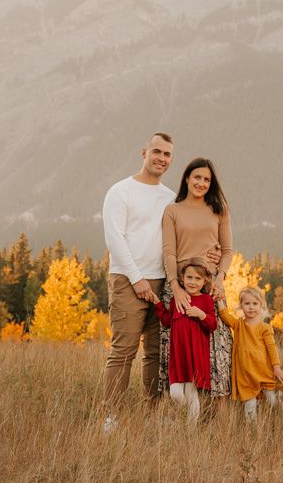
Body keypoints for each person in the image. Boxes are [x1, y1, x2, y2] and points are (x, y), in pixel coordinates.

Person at [100, 134, 219, 434]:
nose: (161, 158)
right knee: (123, 351)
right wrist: (137, 279)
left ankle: (151, 413)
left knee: (156, 353)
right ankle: (110, 416)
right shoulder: (120, 191)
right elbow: (115, 239)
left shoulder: (170, 198)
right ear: (144, 152)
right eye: (157, 151)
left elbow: (184, 236)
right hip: (128, 280)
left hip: (165, 284)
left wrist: (210, 252)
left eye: (167, 154)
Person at [160, 157, 234, 401]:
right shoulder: (172, 211)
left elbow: (227, 251)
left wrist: (220, 279)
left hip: (210, 287)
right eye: (197, 177)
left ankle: (219, 414)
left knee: (218, 347)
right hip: (179, 285)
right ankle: (179, 410)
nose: (202, 183)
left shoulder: (219, 210)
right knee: (178, 349)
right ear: (186, 178)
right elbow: (169, 252)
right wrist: (175, 287)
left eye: (207, 179)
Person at [154, 259, 217, 423]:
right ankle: (183, 414)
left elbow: (212, 324)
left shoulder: (206, 300)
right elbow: (167, 321)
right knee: (175, 393)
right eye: (189, 277)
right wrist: (157, 304)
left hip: (195, 355)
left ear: (205, 281)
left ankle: (191, 429)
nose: (193, 282)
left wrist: (201, 314)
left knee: (191, 393)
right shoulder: (176, 299)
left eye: (198, 279)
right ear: (182, 278)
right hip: (178, 355)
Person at [218, 286, 283, 421]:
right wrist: (219, 300)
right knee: (249, 407)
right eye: (247, 303)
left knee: (272, 400)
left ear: (261, 305)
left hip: (263, 372)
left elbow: (272, 348)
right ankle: (253, 431)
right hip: (245, 375)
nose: (251, 307)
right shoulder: (239, 325)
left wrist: (276, 367)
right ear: (241, 306)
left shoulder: (264, 328)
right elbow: (225, 316)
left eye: (255, 304)